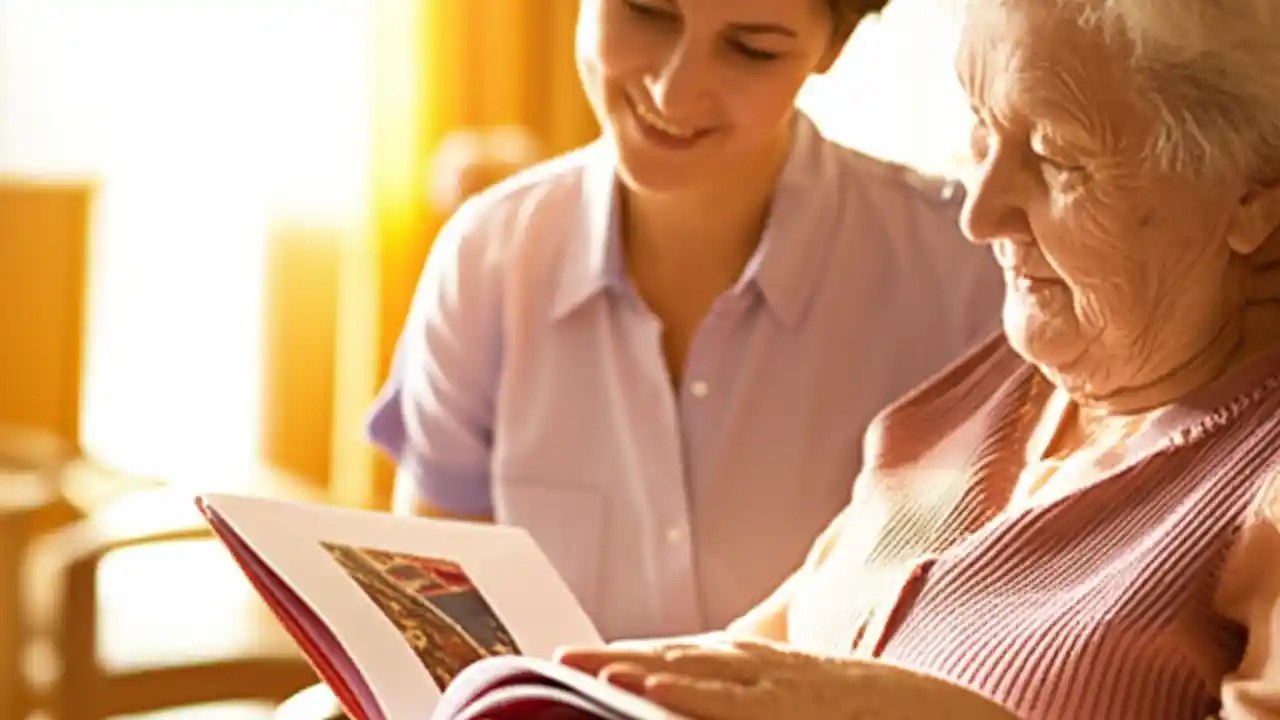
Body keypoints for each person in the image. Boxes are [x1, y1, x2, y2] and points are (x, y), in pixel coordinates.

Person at [556, 0, 1280, 717]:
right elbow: (760, 665)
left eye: (1060, 160)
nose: (980, 214)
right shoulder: (983, 397)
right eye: (981, 129)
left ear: (1255, 200)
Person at [366, 0, 1003, 644]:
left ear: (830, 49)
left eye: (752, 48)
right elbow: (439, 629)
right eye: (646, 12)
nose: (674, 89)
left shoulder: (965, 279)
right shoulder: (487, 257)